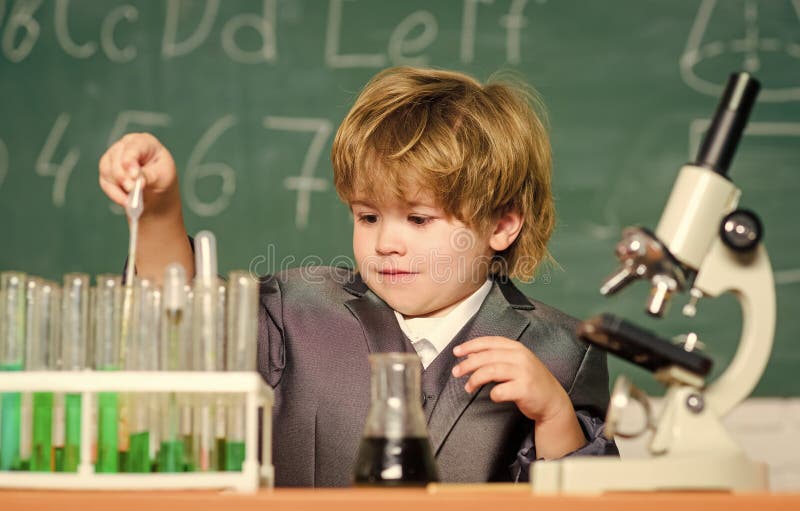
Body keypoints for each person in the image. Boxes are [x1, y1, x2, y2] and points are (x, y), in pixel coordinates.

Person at [98, 66, 617, 487]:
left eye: (418, 218)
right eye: (368, 216)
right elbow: (182, 320)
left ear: (502, 224)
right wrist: (160, 212)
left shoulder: (562, 352)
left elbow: (587, 501)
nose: (385, 242)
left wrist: (554, 417)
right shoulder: (293, 311)